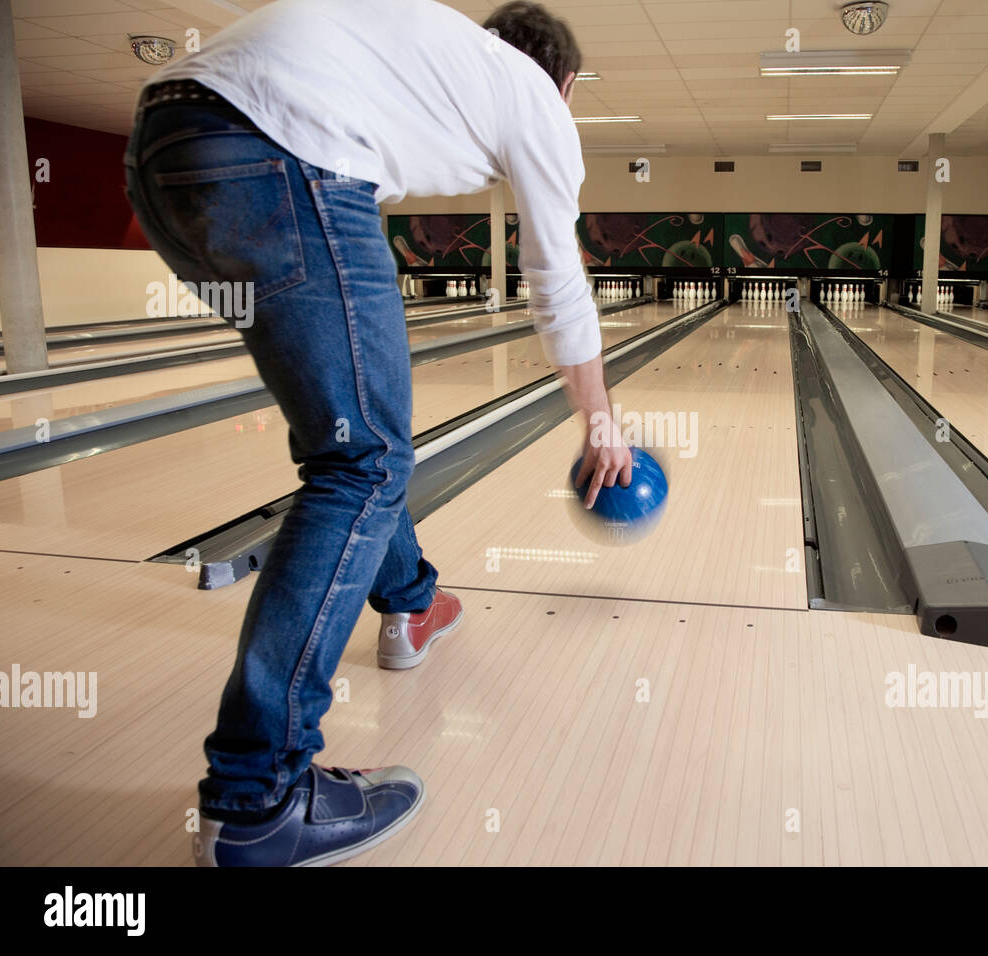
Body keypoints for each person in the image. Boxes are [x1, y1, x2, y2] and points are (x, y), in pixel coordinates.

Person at [123, 0, 632, 867]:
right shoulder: (537, 97)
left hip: (162, 151)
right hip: (281, 157)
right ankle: (257, 801)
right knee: (361, 464)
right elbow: (557, 276)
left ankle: (409, 605)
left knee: (353, 447)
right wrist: (602, 418)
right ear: (570, 82)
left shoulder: (426, 55)